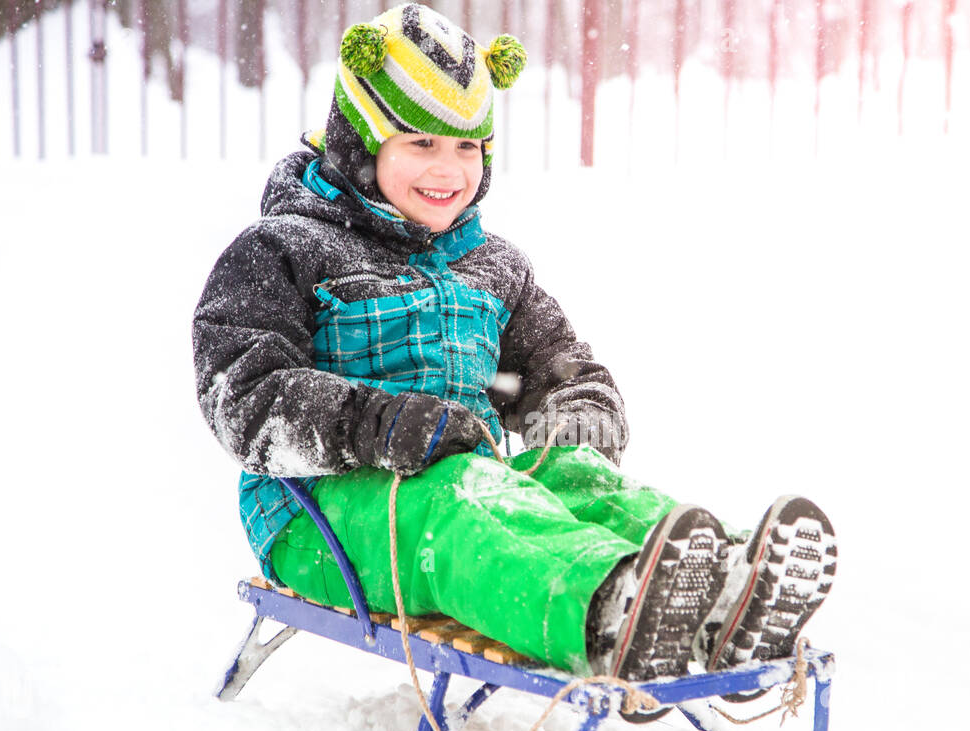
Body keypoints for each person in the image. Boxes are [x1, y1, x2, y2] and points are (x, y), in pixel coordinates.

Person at [192, 3, 835, 682]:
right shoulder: (285, 250)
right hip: (320, 515)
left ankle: (723, 593)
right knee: (462, 501)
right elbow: (244, 394)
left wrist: (577, 407)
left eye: (467, 146)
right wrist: (380, 425)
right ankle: (603, 606)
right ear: (360, 143)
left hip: (467, 484)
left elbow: (556, 367)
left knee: (568, 477)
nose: (449, 169)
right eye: (421, 143)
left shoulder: (492, 267)